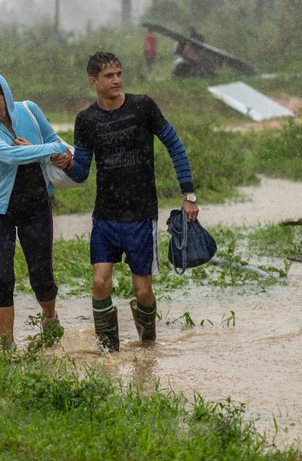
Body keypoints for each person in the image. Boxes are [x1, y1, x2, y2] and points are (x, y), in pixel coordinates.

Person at [64, 51, 200, 352]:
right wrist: (62, 162)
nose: (116, 80)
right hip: (105, 216)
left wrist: (188, 195)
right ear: (93, 81)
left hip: (141, 216)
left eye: (118, 74)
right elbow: (81, 172)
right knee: (100, 283)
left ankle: (148, 346)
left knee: (143, 290)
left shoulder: (143, 107)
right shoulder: (86, 120)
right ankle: (108, 353)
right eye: (109, 76)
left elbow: (175, 148)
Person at [0, 66, 71, 346]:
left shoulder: (29, 110)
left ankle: (50, 317)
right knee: (2, 278)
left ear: (6, 95)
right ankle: (7, 346)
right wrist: (51, 151)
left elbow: (52, 138)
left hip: (36, 203)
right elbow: (11, 155)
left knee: (42, 275)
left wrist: (55, 150)